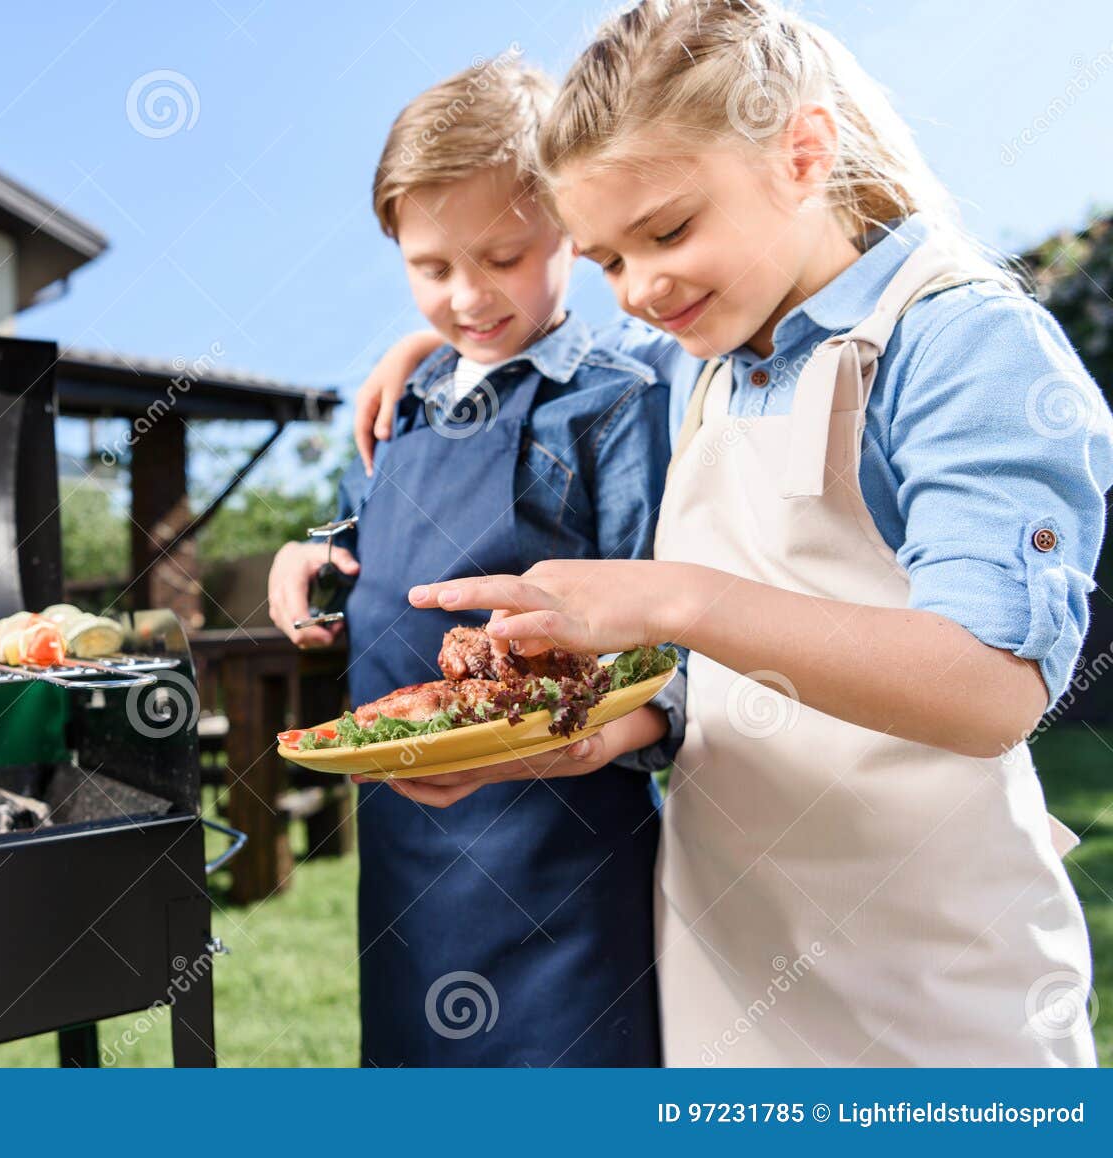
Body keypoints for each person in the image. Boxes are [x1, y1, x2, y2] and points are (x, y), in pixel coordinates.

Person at [359, 0, 1111, 1065]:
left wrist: (673, 600)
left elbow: (989, 688)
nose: (641, 289)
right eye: (608, 258)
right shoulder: (696, 359)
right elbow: (715, 688)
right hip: (729, 971)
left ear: (803, 153)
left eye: (667, 231)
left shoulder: (960, 344)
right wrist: (443, 364)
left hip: (933, 985)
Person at [267, 58, 682, 1066]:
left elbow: (661, 633)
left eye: (503, 255)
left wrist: (591, 737)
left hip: (561, 848)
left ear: (573, 235)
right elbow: (365, 530)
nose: (465, 297)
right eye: (431, 268)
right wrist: (312, 552)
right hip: (407, 855)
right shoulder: (401, 401)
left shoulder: (614, 400)